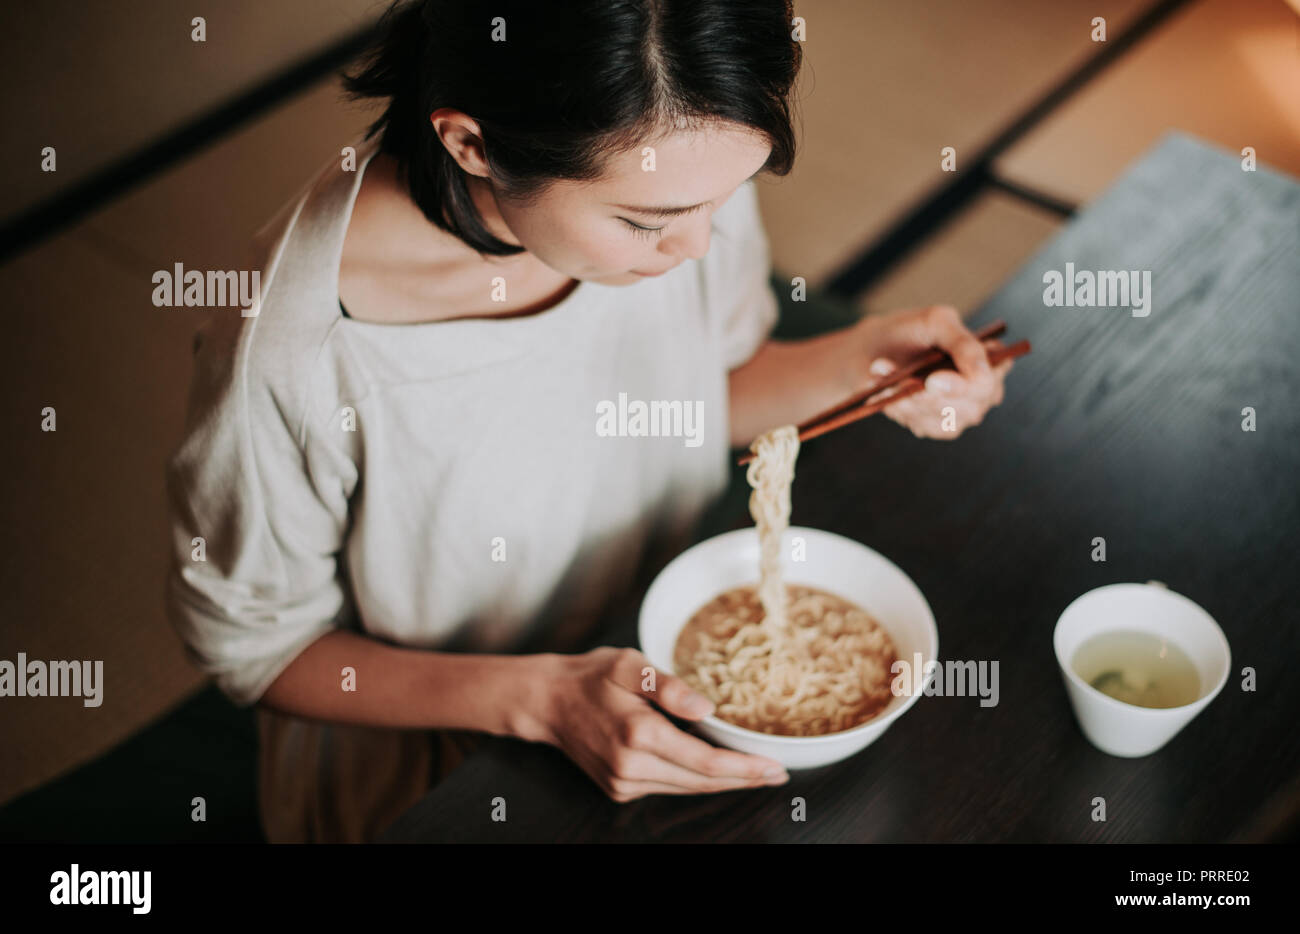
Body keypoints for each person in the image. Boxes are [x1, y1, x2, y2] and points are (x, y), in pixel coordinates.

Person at [165, 0, 1012, 843]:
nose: (697, 248)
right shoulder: (296, 347)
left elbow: (702, 397)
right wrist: (540, 698)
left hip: (667, 667)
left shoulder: (685, 171)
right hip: (444, 770)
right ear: (473, 143)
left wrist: (868, 361)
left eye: (727, 198)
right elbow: (261, 650)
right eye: (646, 223)